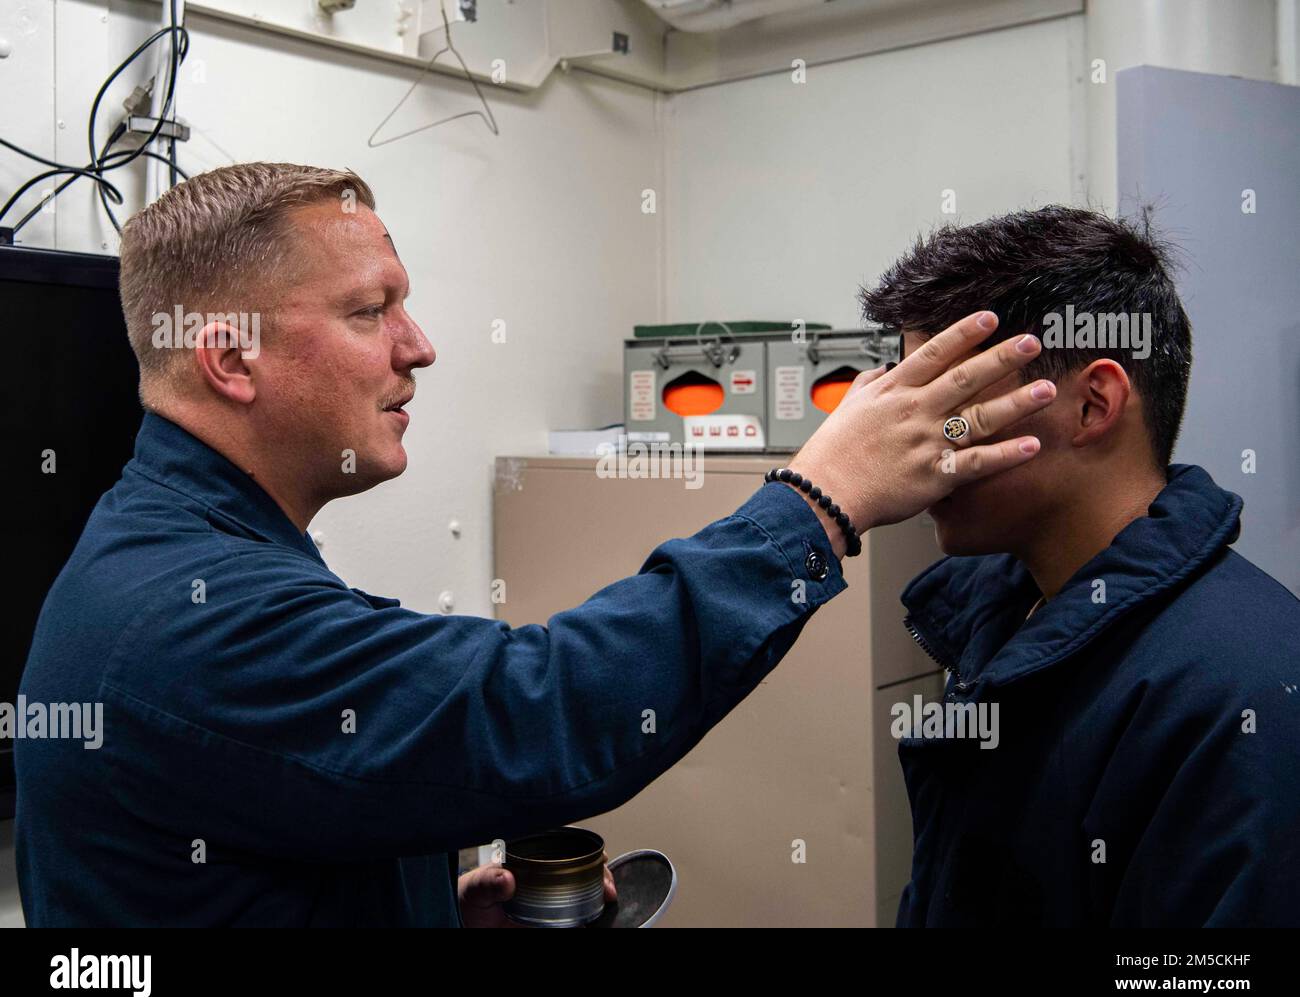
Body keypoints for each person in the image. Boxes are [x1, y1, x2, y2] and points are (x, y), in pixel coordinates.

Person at [17, 163, 1054, 927]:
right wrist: (818, 500)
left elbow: (293, 819)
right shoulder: (185, 612)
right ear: (230, 359)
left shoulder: (191, 552)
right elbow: (536, 707)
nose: (419, 345)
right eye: (371, 309)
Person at [861, 205, 1300, 927]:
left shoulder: (1241, 690)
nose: (912, 446)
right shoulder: (1007, 618)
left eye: (949, 408)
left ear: (1093, 405)